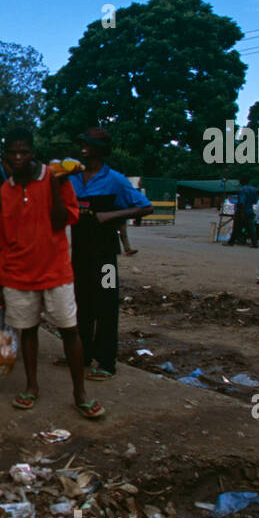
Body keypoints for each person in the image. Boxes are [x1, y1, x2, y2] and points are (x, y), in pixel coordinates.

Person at [0, 128, 103, 419]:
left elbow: (60, 220)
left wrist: (54, 183)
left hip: (56, 271)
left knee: (70, 330)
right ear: (5, 156)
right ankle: (31, 387)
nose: (17, 157)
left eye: (23, 152)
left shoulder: (57, 179)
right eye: (12, 153)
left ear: (33, 153)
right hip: (17, 274)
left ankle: (80, 394)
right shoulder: (5, 190)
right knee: (28, 331)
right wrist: (0, 284)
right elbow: (1, 241)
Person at [67, 127, 153, 381]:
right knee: (80, 304)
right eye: (82, 143)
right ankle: (81, 355)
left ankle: (106, 361)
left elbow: (145, 207)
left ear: (101, 149)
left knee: (106, 306)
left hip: (105, 257)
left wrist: (111, 215)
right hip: (78, 254)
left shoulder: (115, 179)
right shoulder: (72, 177)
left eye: (89, 144)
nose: (83, 147)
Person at [228, 180, 259, 248]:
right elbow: (255, 201)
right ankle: (255, 243)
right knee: (251, 228)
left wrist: (242, 212)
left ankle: (231, 241)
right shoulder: (254, 190)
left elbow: (242, 202)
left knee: (236, 227)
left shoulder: (242, 190)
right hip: (250, 210)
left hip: (242, 211)